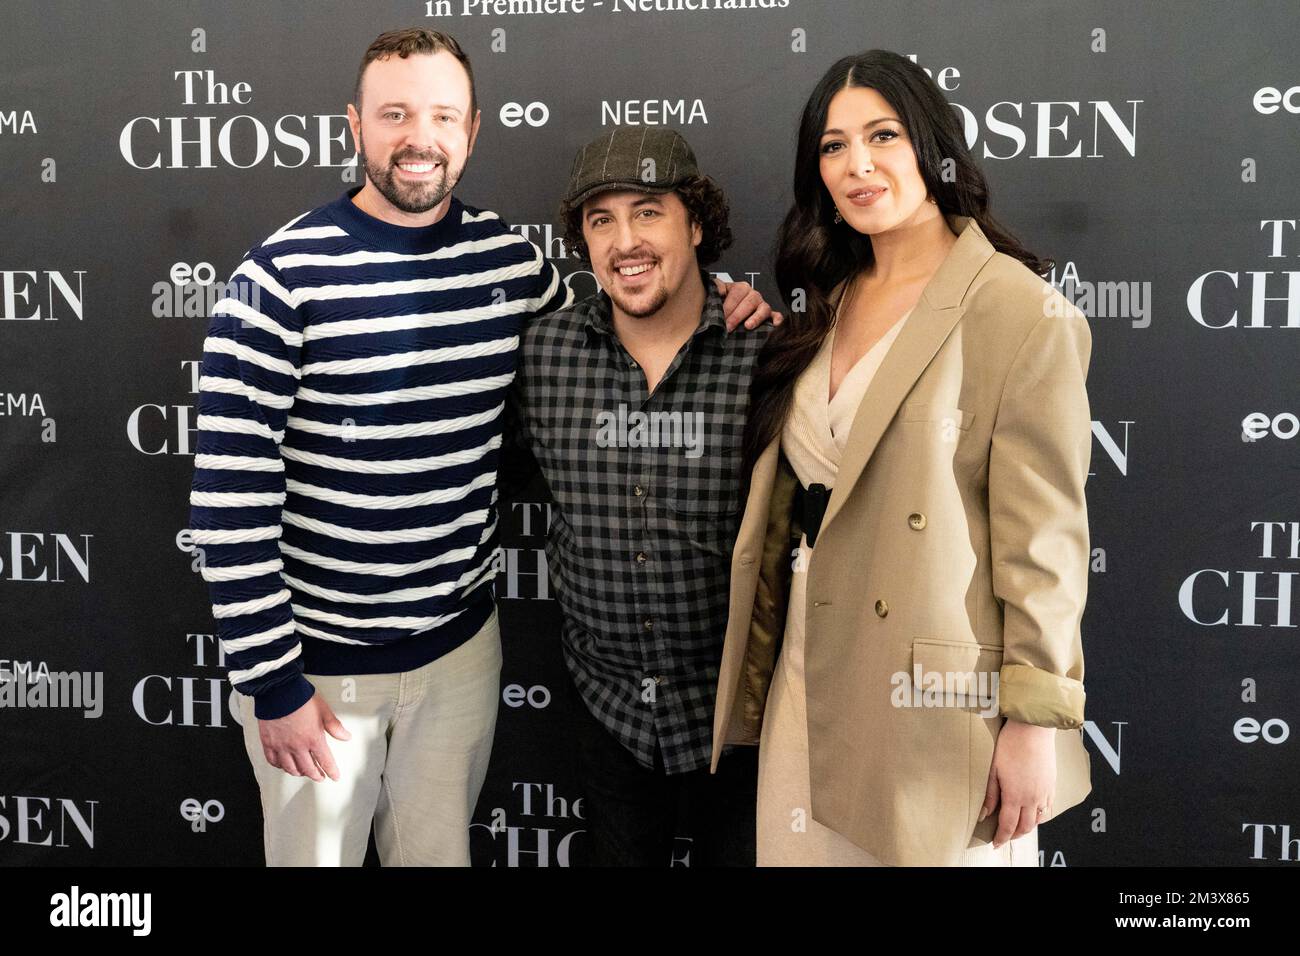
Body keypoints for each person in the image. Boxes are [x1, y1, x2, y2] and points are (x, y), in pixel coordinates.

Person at [187, 28, 771, 867]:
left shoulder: (510, 264)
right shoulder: (281, 276)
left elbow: (624, 307)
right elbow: (228, 498)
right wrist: (271, 681)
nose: (418, 137)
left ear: (472, 131)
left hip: (460, 655)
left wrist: (723, 295)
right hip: (318, 671)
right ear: (355, 126)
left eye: (441, 115)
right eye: (395, 114)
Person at [710, 49, 1094, 866]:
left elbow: (1045, 545)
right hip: (807, 667)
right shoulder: (830, 295)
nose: (858, 165)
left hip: (934, 697)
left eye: (882, 135)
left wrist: (1031, 726)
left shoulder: (1017, 311)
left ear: (931, 144)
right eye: (833, 146)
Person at [503, 127, 774, 866]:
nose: (626, 241)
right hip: (608, 709)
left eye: (648, 212)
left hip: (745, 718)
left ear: (696, 223)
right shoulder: (543, 354)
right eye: (601, 220)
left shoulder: (771, 355)